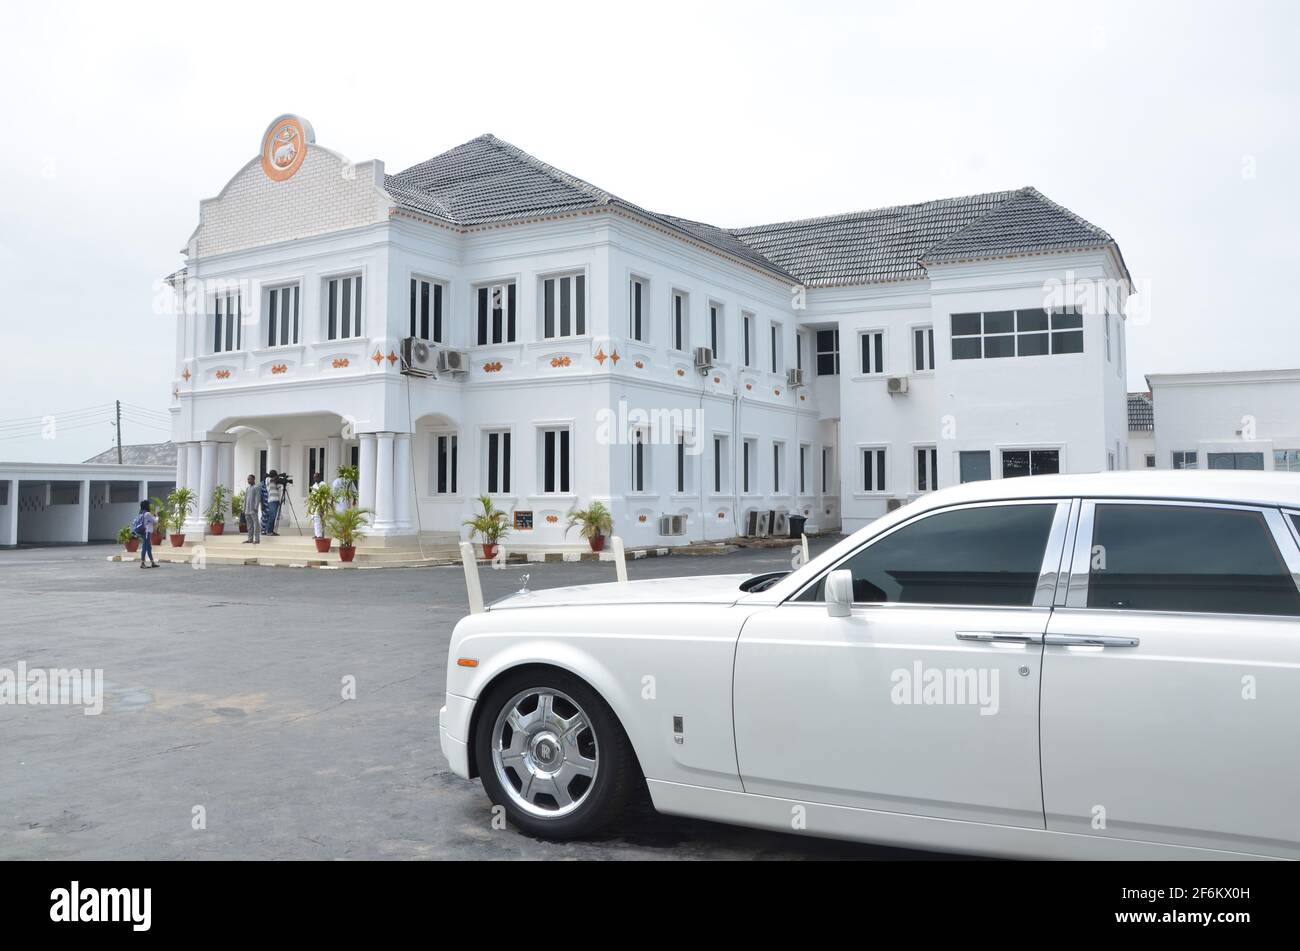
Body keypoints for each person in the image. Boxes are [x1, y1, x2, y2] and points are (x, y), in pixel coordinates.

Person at [132, 500, 157, 569]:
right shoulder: (147, 514)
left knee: (149, 548)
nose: (149, 506)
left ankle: (152, 562)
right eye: (149, 505)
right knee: (145, 547)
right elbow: (155, 522)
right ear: (147, 506)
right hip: (146, 532)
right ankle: (142, 563)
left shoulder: (141, 513)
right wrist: (157, 516)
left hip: (143, 532)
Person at [242, 474, 264, 544]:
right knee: (249, 526)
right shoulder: (247, 488)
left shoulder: (256, 487)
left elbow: (258, 498)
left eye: (250, 479)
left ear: (254, 479)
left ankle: (257, 539)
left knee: (256, 524)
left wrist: (256, 507)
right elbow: (245, 499)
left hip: (253, 509)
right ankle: (250, 539)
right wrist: (244, 508)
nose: (248, 480)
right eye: (248, 479)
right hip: (247, 510)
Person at [263, 470, 283, 536]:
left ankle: (271, 531)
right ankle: (268, 531)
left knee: (273, 517)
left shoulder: (275, 482)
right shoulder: (268, 479)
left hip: (276, 500)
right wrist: (278, 476)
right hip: (271, 500)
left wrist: (280, 482)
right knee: (272, 516)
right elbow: (272, 480)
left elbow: (279, 489)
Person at [309, 472, 326, 539]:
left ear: (319, 477)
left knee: (320, 519)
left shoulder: (323, 484)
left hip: (321, 504)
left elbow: (325, 494)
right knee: (315, 519)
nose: (314, 478)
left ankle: (320, 535)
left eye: (316, 477)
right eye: (314, 477)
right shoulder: (314, 485)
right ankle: (316, 534)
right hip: (314, 505)